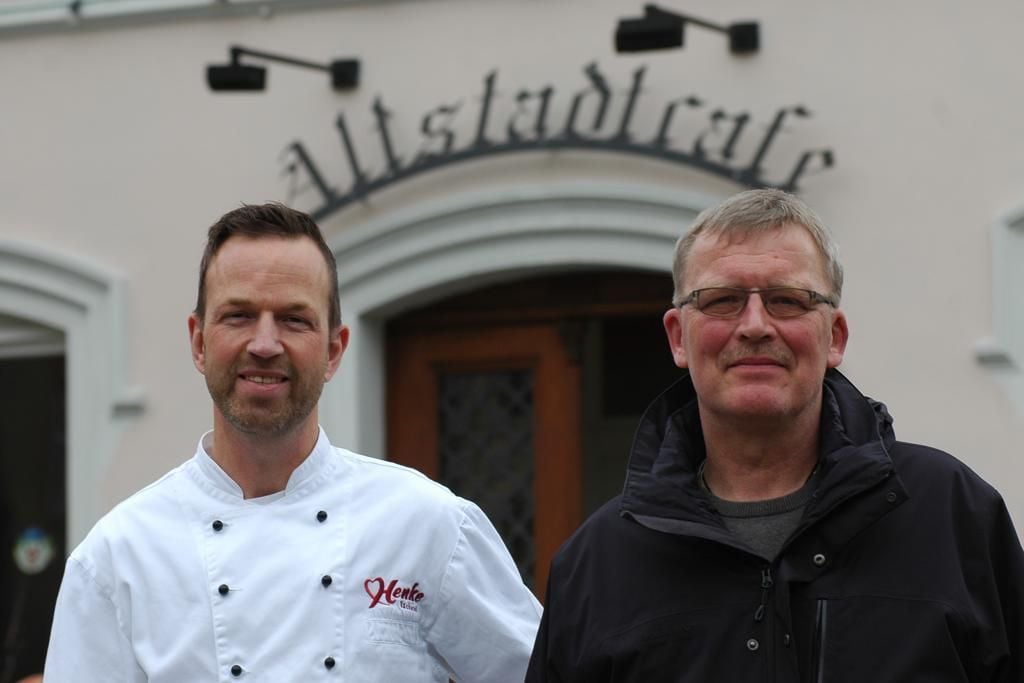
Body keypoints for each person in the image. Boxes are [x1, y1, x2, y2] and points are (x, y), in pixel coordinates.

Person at [527, 189, 1023, 682]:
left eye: (788, 300)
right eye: (721, 301)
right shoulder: (598, 564)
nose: (755, 326)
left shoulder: (952, 516)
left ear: (835, 337)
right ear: (679, 337)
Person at [45, 203, 541, 682]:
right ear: (198, 342)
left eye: (294, 319)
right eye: (238, 315)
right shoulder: (118, 558)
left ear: (333, 350)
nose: (264, 344)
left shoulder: (427, 524)